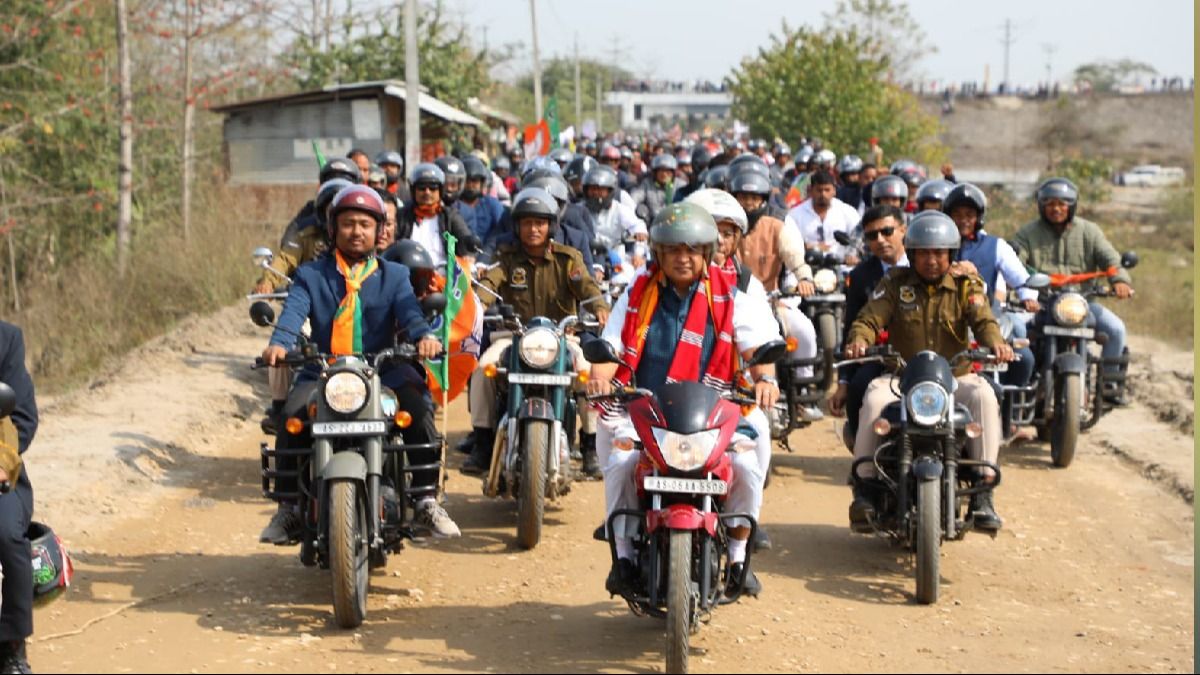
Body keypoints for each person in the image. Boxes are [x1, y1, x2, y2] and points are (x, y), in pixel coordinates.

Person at [588, 202, 781, 597]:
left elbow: (756, 350)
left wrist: (764, 379)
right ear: (658, 253)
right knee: (622, 460)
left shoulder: (731, 296)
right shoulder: (637, 294)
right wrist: (599, 379)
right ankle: (622, 554)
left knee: (746, 463)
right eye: (673, 249)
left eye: (692, 249)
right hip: (645, 409)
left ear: (707, 253)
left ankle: (741, 553)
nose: (682, 258)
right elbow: (611, 348)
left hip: (713, 412)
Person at [258, 185, 451, 543]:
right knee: (292, 417)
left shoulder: (394, 275)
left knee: (419, 406)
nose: (356, 231)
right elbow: (294, 312)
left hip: (383, 368)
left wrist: (423, 336)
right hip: (324, 370)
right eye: (348, 223)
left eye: (365, 224)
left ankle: (425, 500)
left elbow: (410, 313)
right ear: (333, 230)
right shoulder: (311, 275)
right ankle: (287, 508)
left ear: (379, 231)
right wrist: (280, 344)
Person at [843, 211, 1013, 532]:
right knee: (874, 398)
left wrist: (997, 344)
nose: (931, 260)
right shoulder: (894, 283)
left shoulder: (966, 284)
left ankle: (983, 492)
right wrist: (859, 341)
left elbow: (984, 320)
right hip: (902, 379)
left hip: (956, 378)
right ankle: (864, 490)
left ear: (951, 254)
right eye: (923, 252)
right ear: (912, 252)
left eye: (939, 252)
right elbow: (869, 318)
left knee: (984, 396)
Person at [463, 188, 610, 477]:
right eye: (527, 223)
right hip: (513, 336)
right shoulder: (507, 259)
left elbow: (588, 288)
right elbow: (488, 287)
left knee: (587, 372)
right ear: (517, 226)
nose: (533, 229)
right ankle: (481, 441)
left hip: (562, 336)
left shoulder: (568, 259)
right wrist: (475, 305)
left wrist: (600, 308)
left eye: (540, 223)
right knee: (483, 370)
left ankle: (590, 444)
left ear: (551, 226)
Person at [684, 188, 778, 551]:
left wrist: (765, 378)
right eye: (712, 230)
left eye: (728, 232)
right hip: (666, 390)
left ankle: (744, 526)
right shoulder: (658, 279)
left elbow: (762, 338)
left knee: (759, 433)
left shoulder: (745, 285)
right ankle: (625, 530)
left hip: (726, 391)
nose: (719, 240)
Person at [1012, 178, 1134, 403]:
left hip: (1081, 303)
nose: (1056, 209)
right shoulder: (1028, 233)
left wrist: (1120, 281)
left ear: (1072, 206)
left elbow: (1110, 259)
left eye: (1062, 204)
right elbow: (1014, 261)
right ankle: (1015, 385)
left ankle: (1109, 385)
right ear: (1041, 206)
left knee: (1116, 329)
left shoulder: (1090, 231)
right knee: (1014, 327)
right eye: (1049, 204)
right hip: (1042, 302)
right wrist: (1018, 286)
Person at [726, 170, 821, 421]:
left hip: (771, 300)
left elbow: (793, 255)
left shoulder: (778, 224)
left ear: (764, 199)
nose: (748, 203)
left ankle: (802, 392)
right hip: (729, 301)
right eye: (743, 197)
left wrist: (804, 278)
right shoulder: (723, 224)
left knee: (804, 330)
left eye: (754, 197)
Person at [828, 205, 908, 448]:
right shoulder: (861, 275)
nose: (880, 240)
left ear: (903, 230)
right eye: (872, 236)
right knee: (859, 387)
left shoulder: (924, 263)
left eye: (887, 231)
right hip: (879, 357)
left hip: (924, 354)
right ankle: (862, 453)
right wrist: (843, 382)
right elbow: (852, 324)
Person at [0, 322, 37, 674]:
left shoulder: (6, 340)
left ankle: (12, 646)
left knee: (8, 536)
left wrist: (1, 464)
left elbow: (22, 418)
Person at [394, 162, 479, 269]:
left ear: (440, 191)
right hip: (406, 274)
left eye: (433, 188)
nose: (427, 192)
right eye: (422, 188)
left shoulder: (450, 216)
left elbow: (464, 236)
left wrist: (469, 253)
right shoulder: (402, 215)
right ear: (413, 190)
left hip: (442, 277)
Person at [784, 170, 861, 261]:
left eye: (827, 190)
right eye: (819, 190)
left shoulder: (847, 212)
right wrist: (806, 247)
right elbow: (787, 243)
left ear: (834, 191)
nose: (823, 194)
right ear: (811, 190)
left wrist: (851, 255)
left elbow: (859, 238)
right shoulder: (794, 214)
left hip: (841, 265)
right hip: (805, 265)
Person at [455, 156, 508, 253]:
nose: (470, 185)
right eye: (467, 180)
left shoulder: (492, 205)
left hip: (488, 258)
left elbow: (502, 232)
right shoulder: (453, 206)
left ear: (482, 183)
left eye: (475, 181)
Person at [631, 153, 678, 224]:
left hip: (675, 225)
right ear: (655, 172)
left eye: (668, 171)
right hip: (653, 224)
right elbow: (635, 197)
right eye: (661, 171)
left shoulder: (680, 186)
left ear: (673, 173)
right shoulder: (647, 184)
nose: (664, 174)